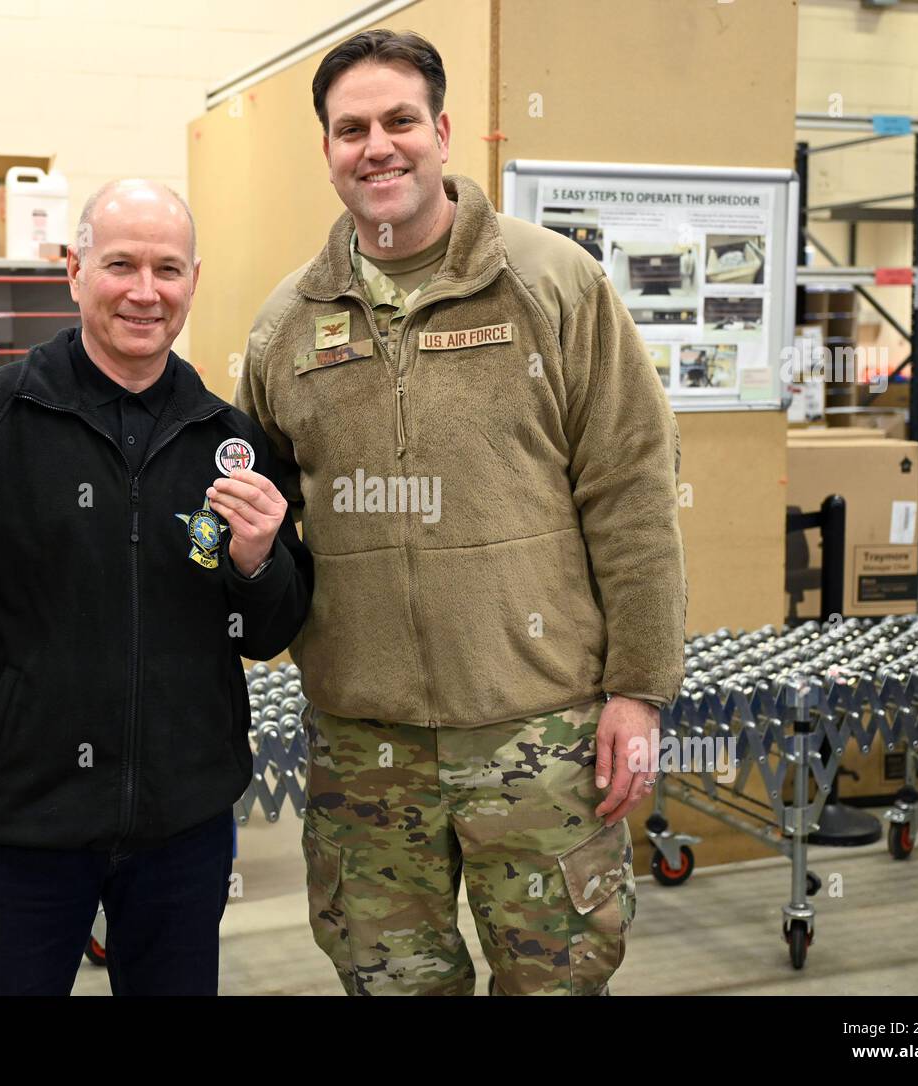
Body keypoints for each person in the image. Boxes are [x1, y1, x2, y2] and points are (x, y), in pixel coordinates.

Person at [234, 30, 686, 996]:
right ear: (326, 152)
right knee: (389, 984)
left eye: (400, 120)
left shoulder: (553, 285)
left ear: (442, 131)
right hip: (363, 746)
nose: (377, 146)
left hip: (540, 738)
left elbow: (634, 496)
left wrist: (638, 691)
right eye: (350, 128)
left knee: (559, 981)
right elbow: (260, 526)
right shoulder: (286, 327)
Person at [0, 179, 312, 996]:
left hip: (184, 828)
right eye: (121, 265)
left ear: (193, 282)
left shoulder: (230, 440)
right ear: (74, 270)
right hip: (22, 829)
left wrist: (259, 562)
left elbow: (272, 629)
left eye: (168, 269)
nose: (146, 292)